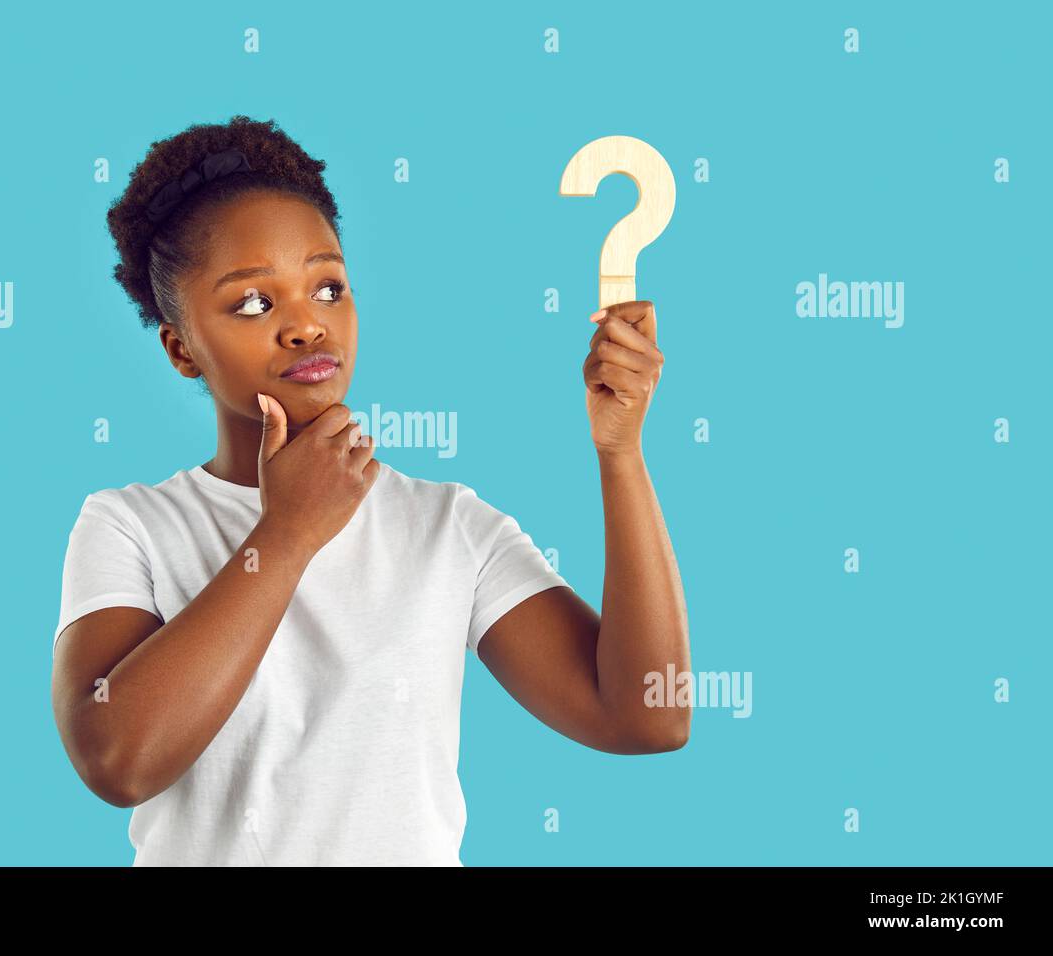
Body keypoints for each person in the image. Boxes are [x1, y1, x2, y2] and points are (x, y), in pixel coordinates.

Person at [50, 115, 691, 866]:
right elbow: (118, 759)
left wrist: (620, 454)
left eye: (327, 287)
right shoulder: (131, 525)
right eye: (254, 303)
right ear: (181, 347)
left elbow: (650, 715)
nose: (305, 327)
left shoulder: (448, 526)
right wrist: (286, 534)